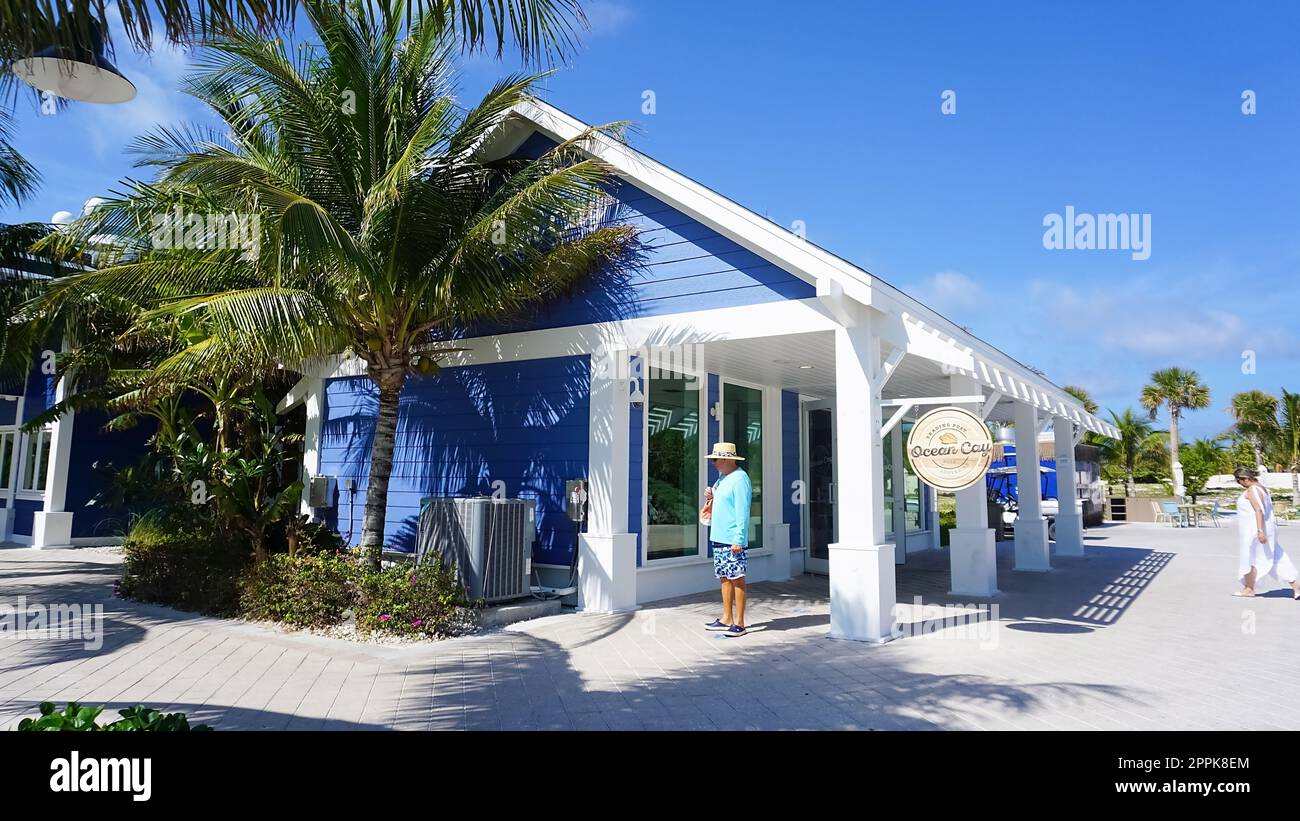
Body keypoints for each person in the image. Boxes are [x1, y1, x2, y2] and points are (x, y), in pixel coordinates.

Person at [702, 442, 753, 637]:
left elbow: (742, 511)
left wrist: (738, 539)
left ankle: (739, 622)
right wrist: (710, 495)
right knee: (724, 578)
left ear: (726, 459)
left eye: (715, 459)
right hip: (719, 536)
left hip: (733, 539)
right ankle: (726, 618)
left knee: (737, 579)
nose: (713, 463)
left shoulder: (740, 479)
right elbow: (720, 501)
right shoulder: (722, 478)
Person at [1231, 467, 1300, 599]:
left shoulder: (1252, 490)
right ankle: (1296, 586)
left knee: (1249, 558)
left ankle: (1249, 589)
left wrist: (1259, 530)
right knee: (1275, 557)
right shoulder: (1262, 487)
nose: (1239, 485)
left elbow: (1259, 510)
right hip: (1266, 529)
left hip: (1255, 531)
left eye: (1239, 481)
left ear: (1245, 479)